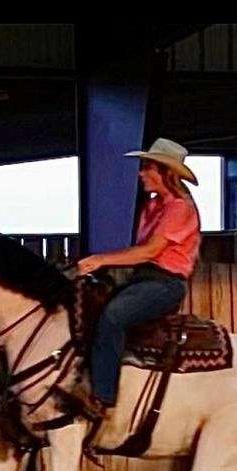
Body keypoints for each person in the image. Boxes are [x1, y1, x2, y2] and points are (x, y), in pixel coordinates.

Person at [66, 137, 202, 419]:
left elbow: (149, 251)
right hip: (144, 279)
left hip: (165, 284)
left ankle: (103, 396)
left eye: (147, 168)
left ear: (165, 172)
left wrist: (101, 260)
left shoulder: (180, 208)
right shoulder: (153, 207)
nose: (141, 173)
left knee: (114, 316)